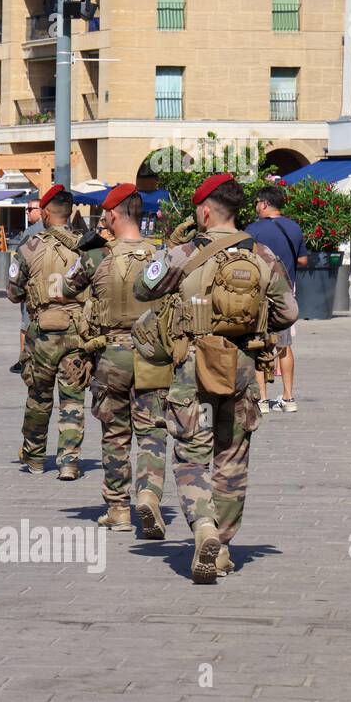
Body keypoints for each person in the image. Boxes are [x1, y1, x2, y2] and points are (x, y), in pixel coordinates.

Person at [134, 174, 298, 583]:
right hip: (242, 368)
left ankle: (203, 527)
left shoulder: (183, 253)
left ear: (205, 210)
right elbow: (289, 313)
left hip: (192, 367)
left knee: (191, 456)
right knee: (233, 458)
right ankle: (222, 546)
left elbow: (142, 288)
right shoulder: (261, 254)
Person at [62, 184, 169, 535]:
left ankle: (118, 508)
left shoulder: (96, 257)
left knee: (115, 433)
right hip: (153, 353)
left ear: (111, 215)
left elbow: (66, 288)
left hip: (111, 353)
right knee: (152, 430)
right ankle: (150, 495)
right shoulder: (163, 257)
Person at [7, 185, 88, 480]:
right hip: (77, 332)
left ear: (43, 213)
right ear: (70, 213)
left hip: (41, 332)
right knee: (73, 399)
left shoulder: (29, 246)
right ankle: (68, 461)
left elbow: (13, 293)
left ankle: (36, 456)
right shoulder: (86, 246)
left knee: (39, 397)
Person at [247, 185, 308, 414]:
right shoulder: (294, 227)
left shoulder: (253, 230)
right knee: (285, 346)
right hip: (286, 294)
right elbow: (303, 260)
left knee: (258, 344)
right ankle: (288, 397)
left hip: (260, 294)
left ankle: (262, 400)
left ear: (263, 203)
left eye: (256, 204)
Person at [10, 197, 44, 375]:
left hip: (31, 287)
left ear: (41, 210)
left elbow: (19, 261)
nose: (27, 212)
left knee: (26, 324)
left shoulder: (30, 232)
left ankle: (23, 359)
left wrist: (16, 289)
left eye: (30, 209)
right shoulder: (59, 232)